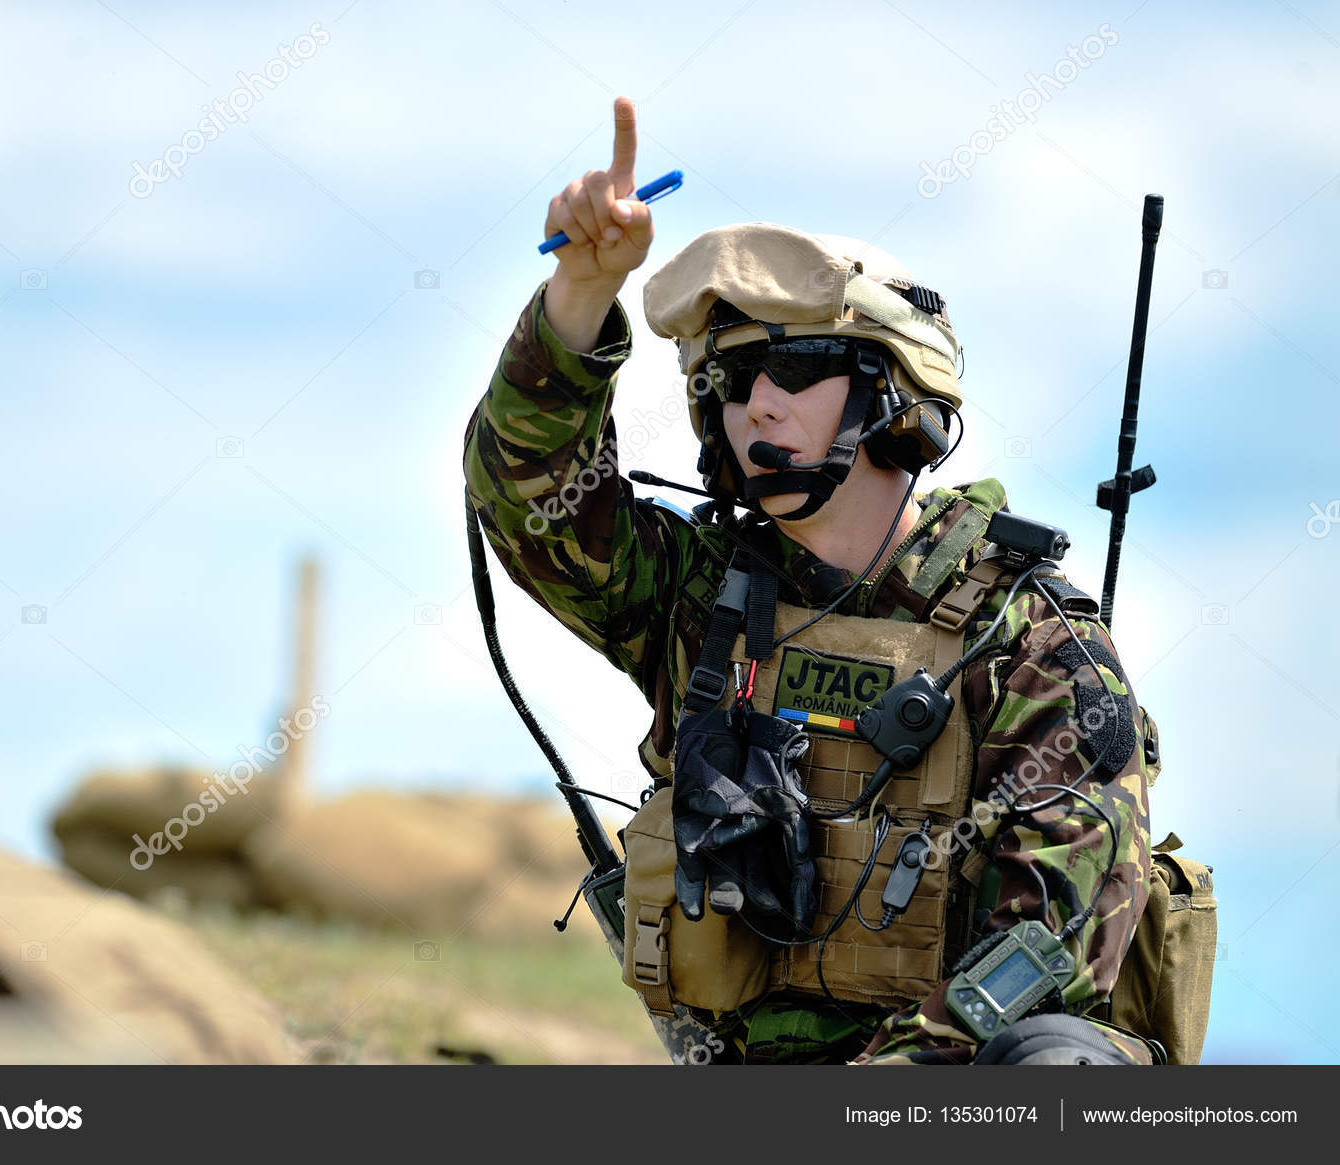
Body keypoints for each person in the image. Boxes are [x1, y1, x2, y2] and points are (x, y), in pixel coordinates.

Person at [463, 97, 1160, 1065]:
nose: (760, 405)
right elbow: (528, 500)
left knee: (1056, 1064)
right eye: (733, 380)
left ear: (889, 389)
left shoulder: (1033, 643)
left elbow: (1043, 954)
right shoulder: (703, 601)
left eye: (796, 367)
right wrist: (580, 296)